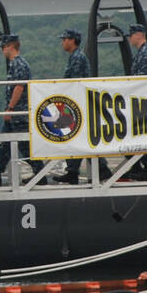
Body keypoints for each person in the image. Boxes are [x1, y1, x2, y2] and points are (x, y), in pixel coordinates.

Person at [0, 34, 42, 185]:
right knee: (4, 144)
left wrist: (10, 108)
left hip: (19, 113)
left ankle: (39, 174)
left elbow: (19, 86)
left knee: (24, 145)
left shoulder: (19, 64)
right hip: (16, 113)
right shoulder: (15, 64)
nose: (2, 50)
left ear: (10, 46)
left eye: (3, 47)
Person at [57, 28, 95, 184]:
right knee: (78, 138)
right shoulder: (75, 57)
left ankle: (75, 172)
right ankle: (72, 171)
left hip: (78, 106)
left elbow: (75, 83)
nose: (63, 42)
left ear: (72, 40)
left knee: (78, 138)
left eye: (65, 39)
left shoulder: (78, 58)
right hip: (76, 106)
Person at [127, 23, 147, 181]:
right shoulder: (142, 52)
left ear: (139, 34)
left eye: (131, 34)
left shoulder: (145, 53)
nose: (130, 37)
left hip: (145, 103)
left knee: (146, 135)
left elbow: (143, 80)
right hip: (141, 102)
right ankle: (140, 167)